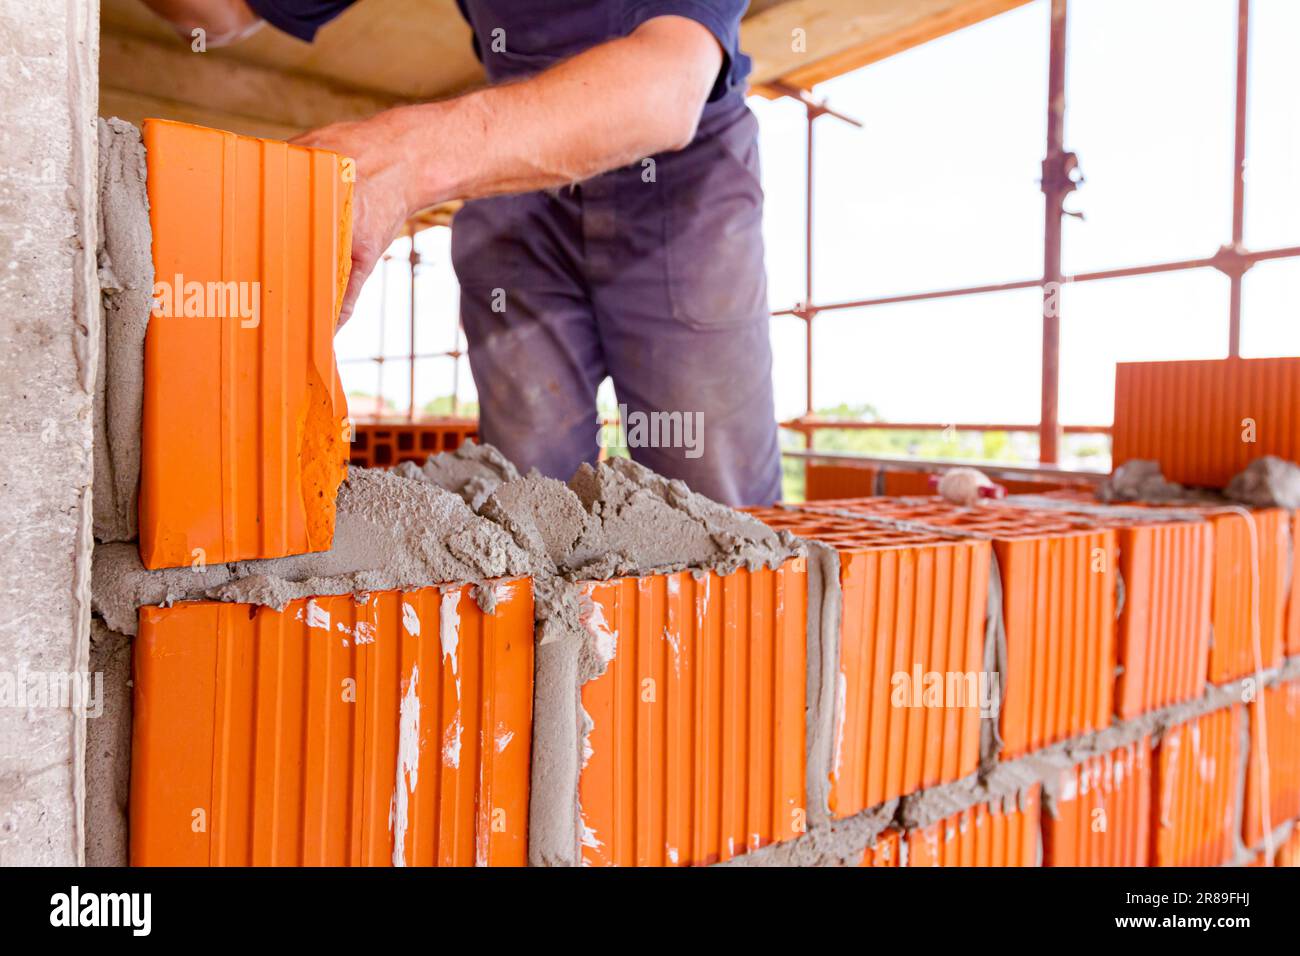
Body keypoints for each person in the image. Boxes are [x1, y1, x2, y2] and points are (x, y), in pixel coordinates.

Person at [140, 0, 783, 506]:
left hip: (681, 172)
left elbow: (664, 90)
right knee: (531, 484)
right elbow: (216, 12)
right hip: (516, 173)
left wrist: (405, 157)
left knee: (712, 501)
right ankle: (556, 660)